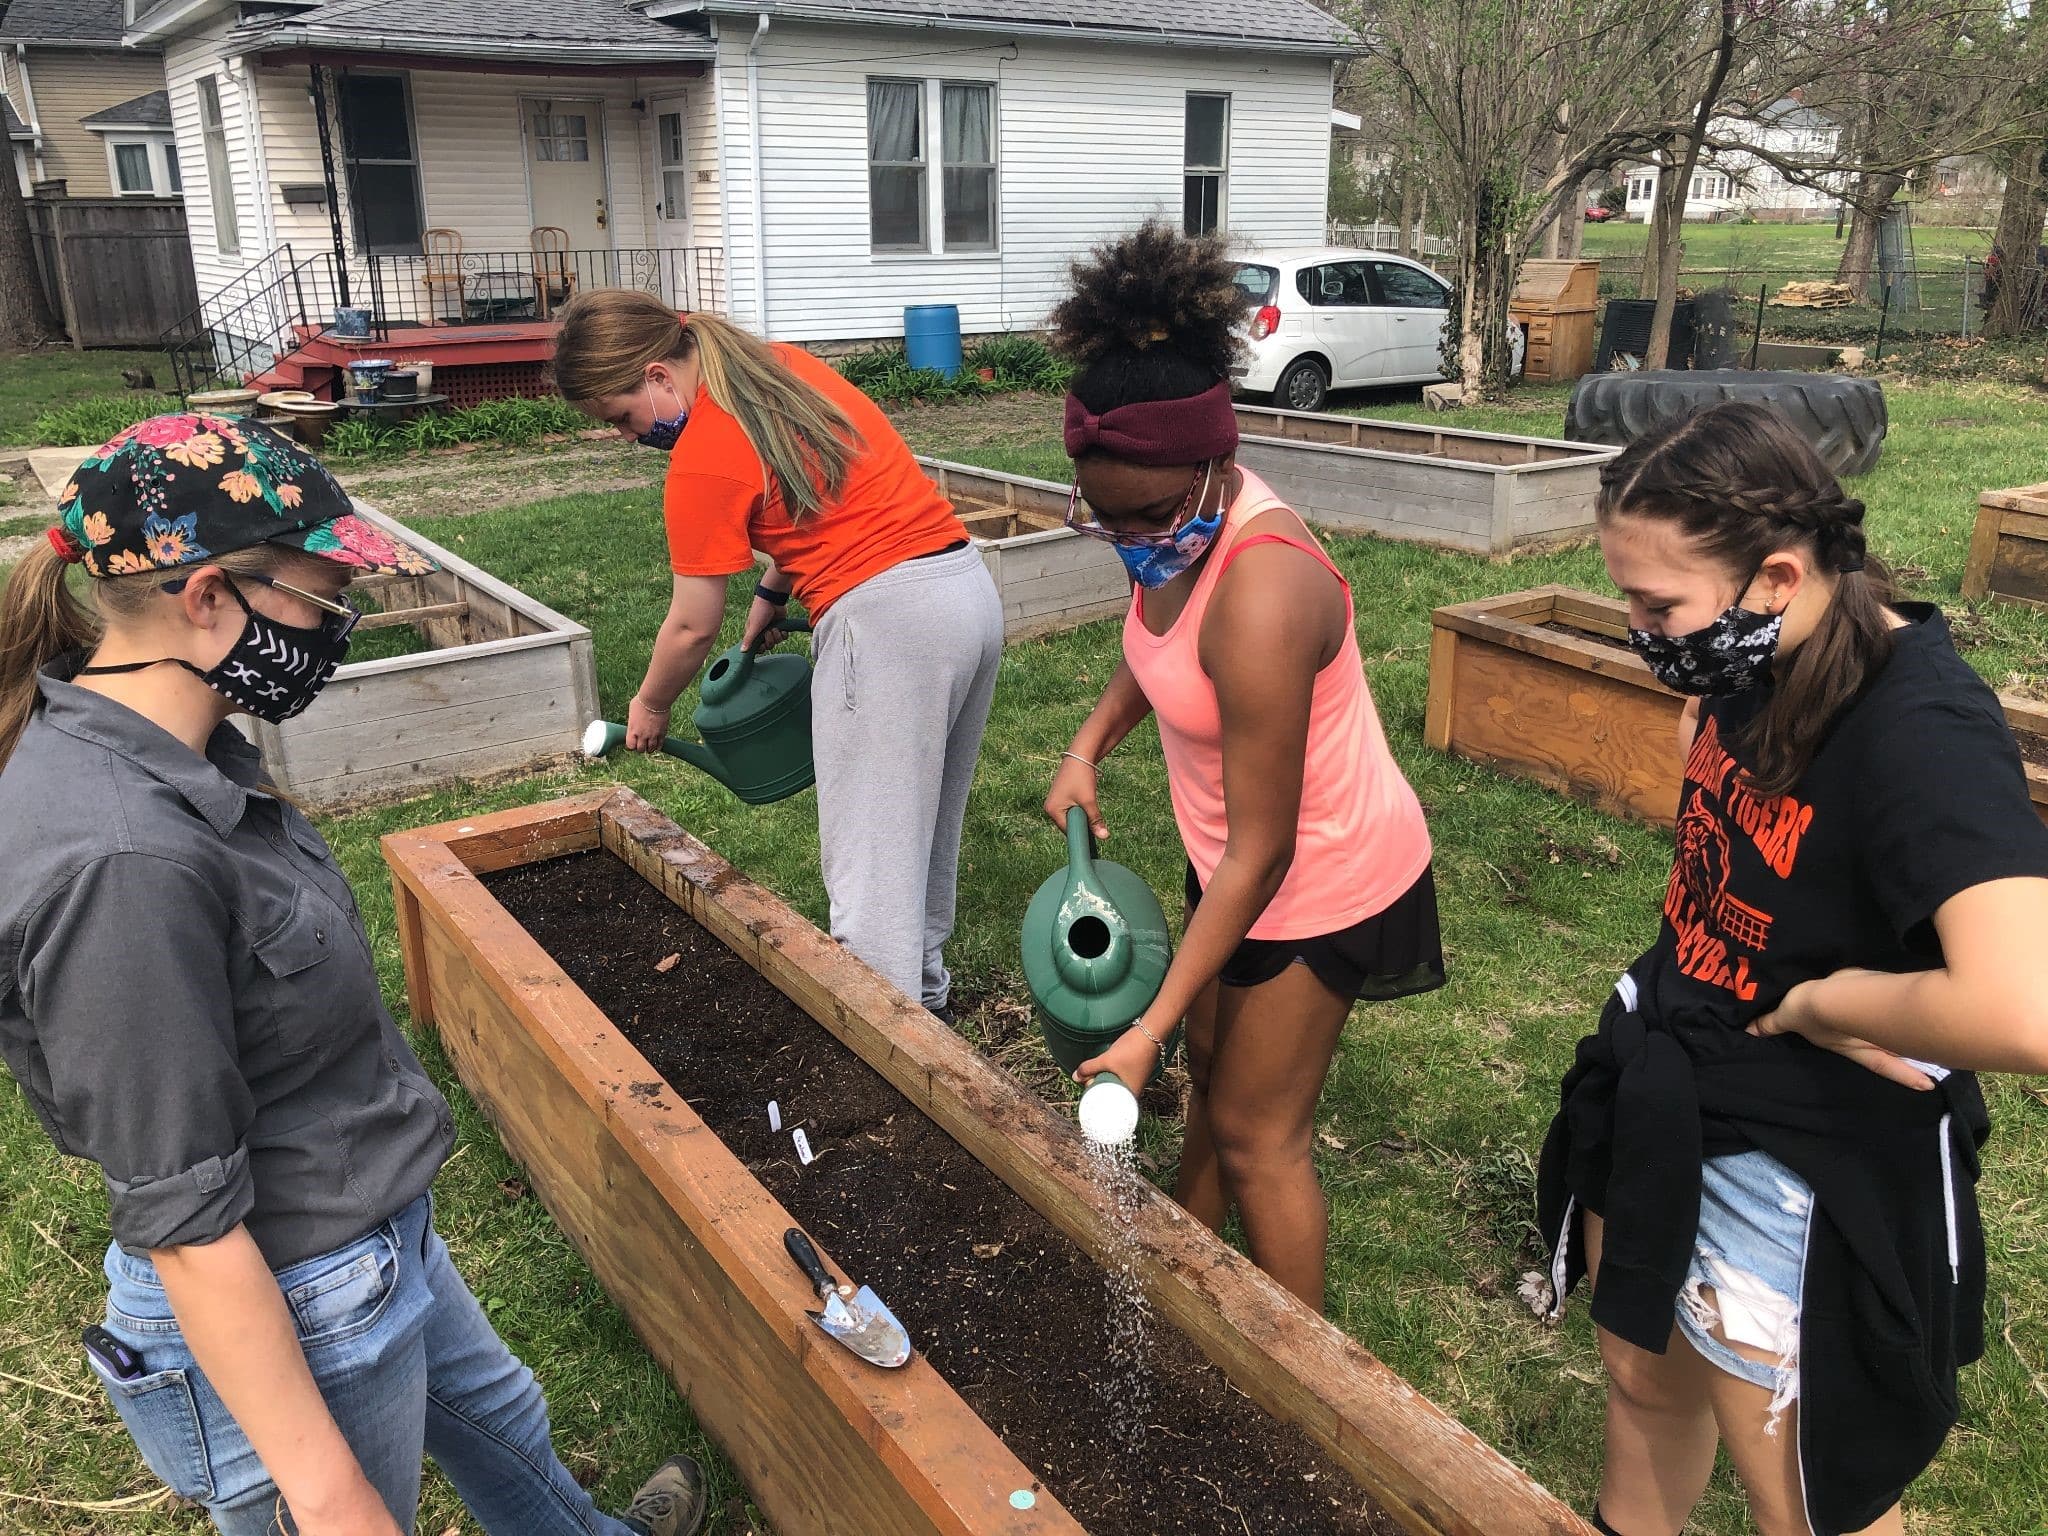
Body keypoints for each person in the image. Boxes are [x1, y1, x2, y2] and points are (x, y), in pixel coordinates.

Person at [0, 414, 706, 1536]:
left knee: (506, 1426)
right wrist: (330, 1499)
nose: (339, 629)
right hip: (295, 1301)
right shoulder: (122, 865)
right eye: (323, 598)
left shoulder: (186, 745)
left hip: (370, 1232)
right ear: (207, 598)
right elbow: (183, 1218)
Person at [1534, 402, 2048, 1536]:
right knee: (1641, 1384)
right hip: (1670, 1075)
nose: (1639, 631)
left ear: (1775, 576)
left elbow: (2025, 1005)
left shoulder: (1924, 729)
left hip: (1797, 1154)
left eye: (1656, 605)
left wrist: (1827, 999)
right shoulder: (1751, 654)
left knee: (1807, 1501)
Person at [1041, 222, 1444, 1309]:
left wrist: (1145, 1027)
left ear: (1219, 465)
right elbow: (1159, 654)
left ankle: (1303, 1386)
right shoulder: (1169, 525)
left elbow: (1265, 852)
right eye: (1105, 519)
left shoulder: (1265, 591)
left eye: (1146, 516)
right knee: (1215, 1081)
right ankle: (1190, 1287)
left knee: (1260, 1137)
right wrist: (1086, 747)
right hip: (1230, 863)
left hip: (1317, 876)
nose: (1131, 541)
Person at [552, 291, 1004, 1022]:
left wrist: (651, 704)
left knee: (871, 865)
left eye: (620, 417)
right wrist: (772, 593)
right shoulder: (779, 370)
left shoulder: (702, 456)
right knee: (923, 835)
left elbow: (691, 626)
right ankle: (927, 1008)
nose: (625, 436)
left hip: (887, 626)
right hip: (963, 592)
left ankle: (885, 1046)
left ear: (658, 376)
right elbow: (824, 489)